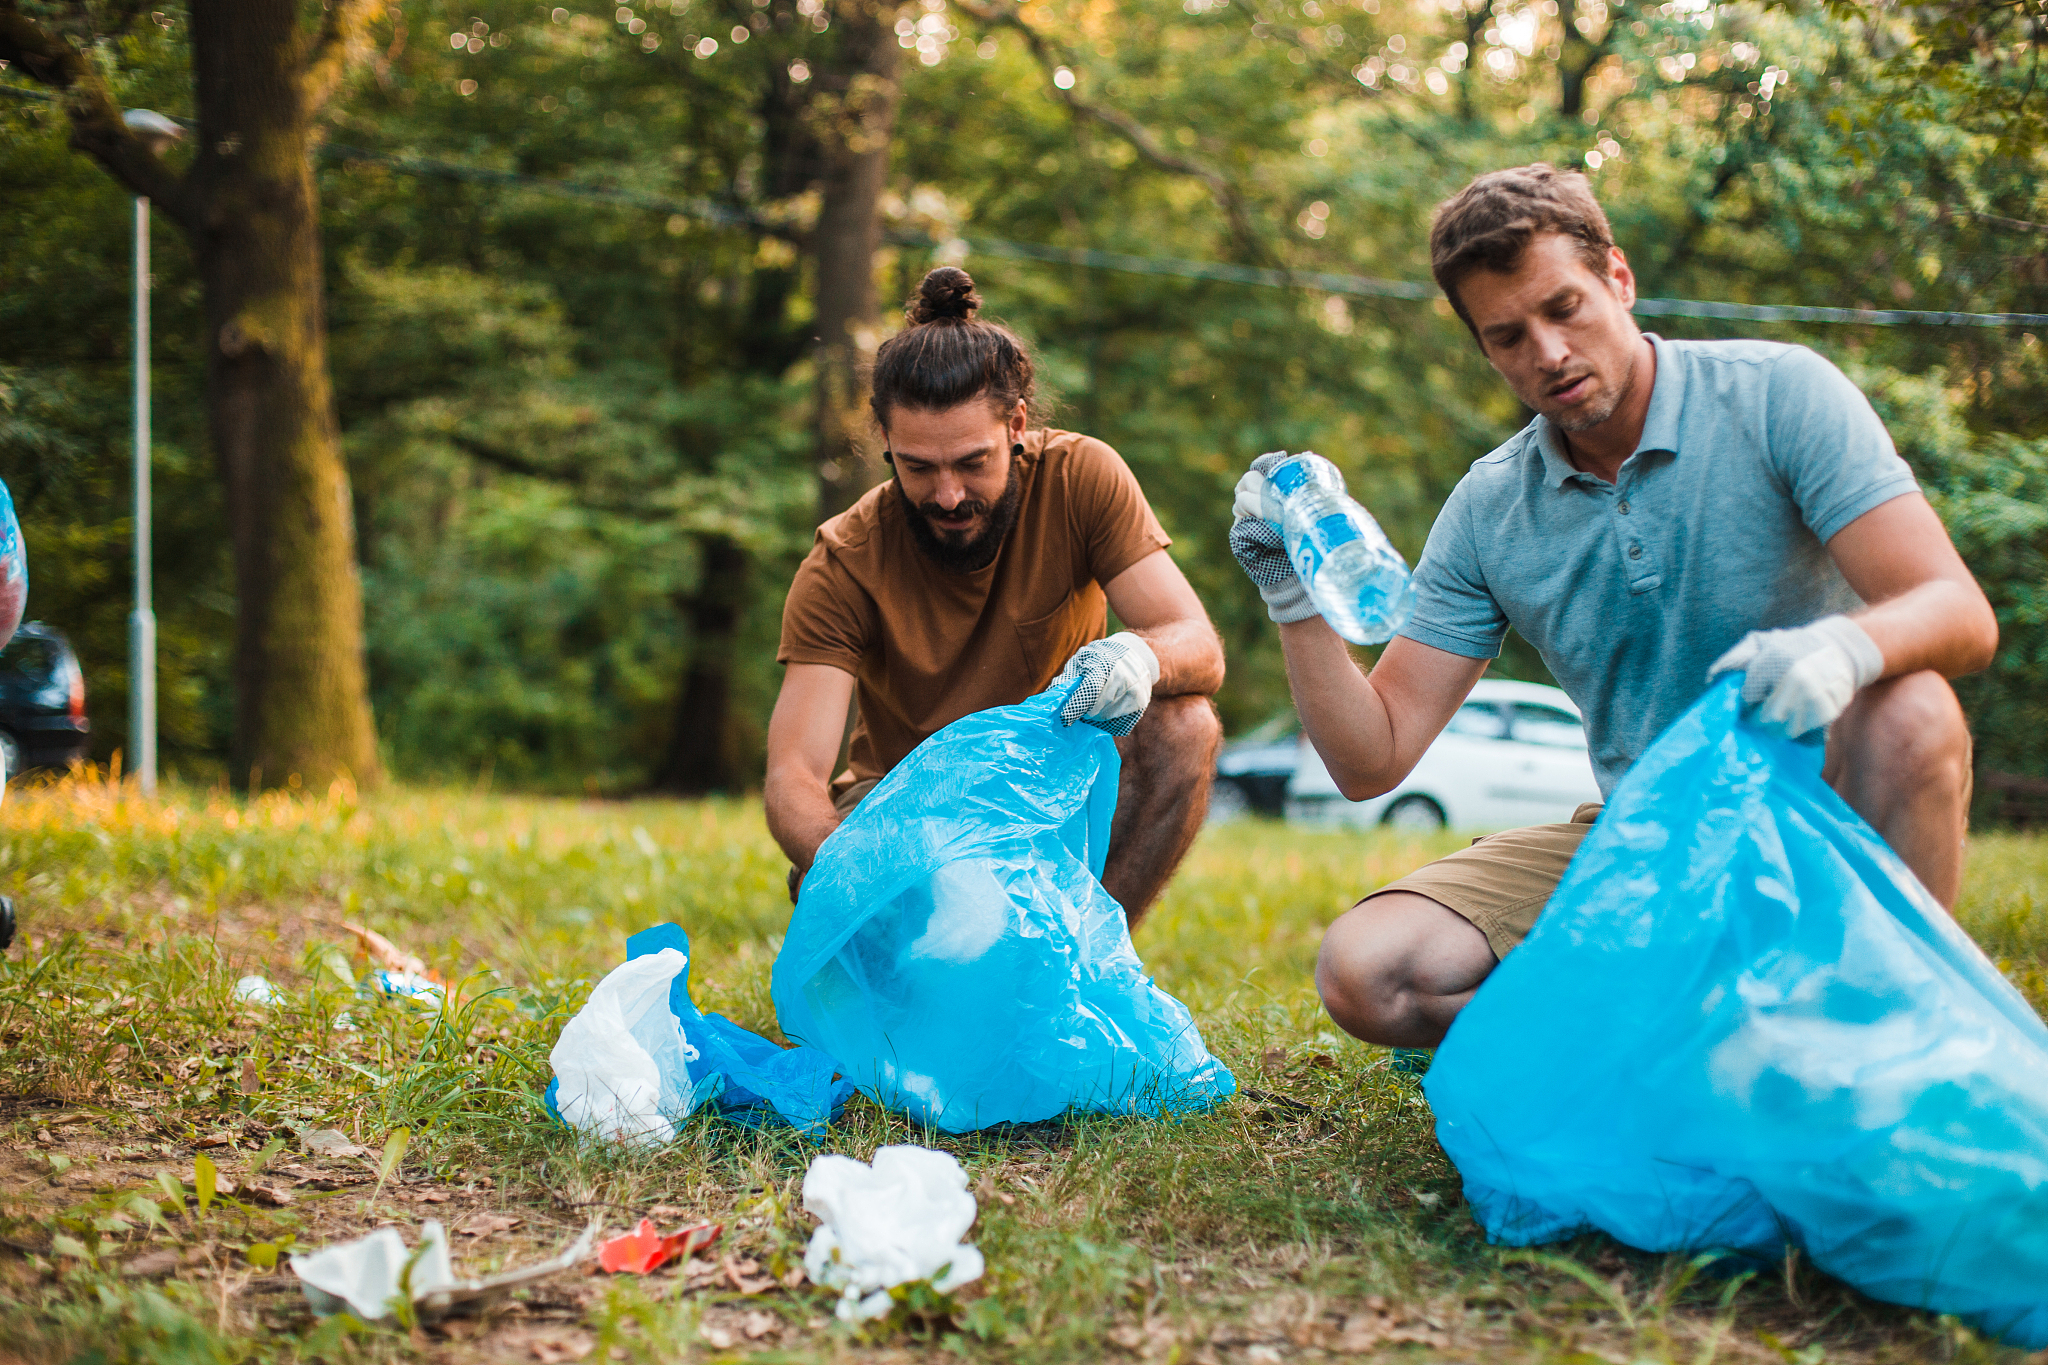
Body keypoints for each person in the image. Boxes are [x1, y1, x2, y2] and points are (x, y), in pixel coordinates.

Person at [1230, 164, 1997, 1049]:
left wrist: (1839, 651)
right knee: (1372, 972)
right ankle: (1684, 1033)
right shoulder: (1490, 509)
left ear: (1618, 279)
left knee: (1916, 708)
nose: (1547, 354)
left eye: (1565, 309)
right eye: (1508, 335)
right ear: (1484, 348)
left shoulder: (1779, 393)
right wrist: (1293, 597)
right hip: (1649, 834)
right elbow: (1373, 758)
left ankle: (1889, 1037)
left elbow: (1959, 612)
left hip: (1819, 800)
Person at [767, 266, 1225, 925]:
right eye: (917, 467)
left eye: (972, 461)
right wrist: (852, 860)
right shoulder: (845, 558)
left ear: (1015, 423)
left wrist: (1137, 657)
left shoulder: (1082, 479)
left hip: (1055, 782)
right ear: (886, 441)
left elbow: (1198, 643)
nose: (947, 495)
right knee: (848, 906)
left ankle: (1092, 958)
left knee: (1187, 726)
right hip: (913, 815)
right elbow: (793, 778)